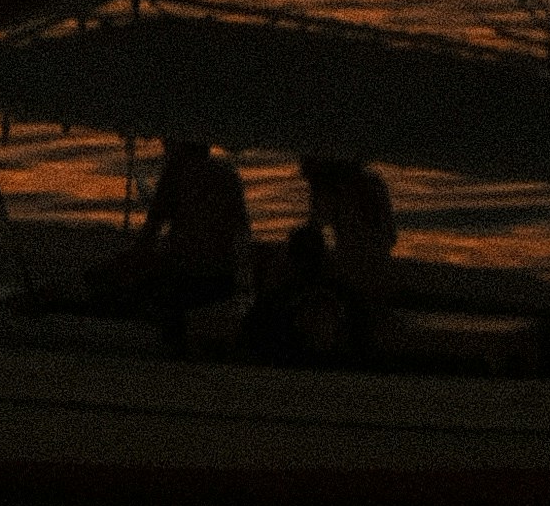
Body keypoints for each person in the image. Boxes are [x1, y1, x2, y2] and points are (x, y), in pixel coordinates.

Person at [84, 131, 247, 351]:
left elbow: (148, 239)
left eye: (166, 140)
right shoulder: (228, 174)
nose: (163, 145)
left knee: (111, 288)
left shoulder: (177, 172)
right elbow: (241, 234)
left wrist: (114, 268)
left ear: (176, 143)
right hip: (224, 280)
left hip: (187, 280)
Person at [256, 150, 398, 364]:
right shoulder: (374, 183)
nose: (302, 169)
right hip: (383, 276)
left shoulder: (331, 188)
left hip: (353, 280)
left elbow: (312, 233)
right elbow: (391, 236)